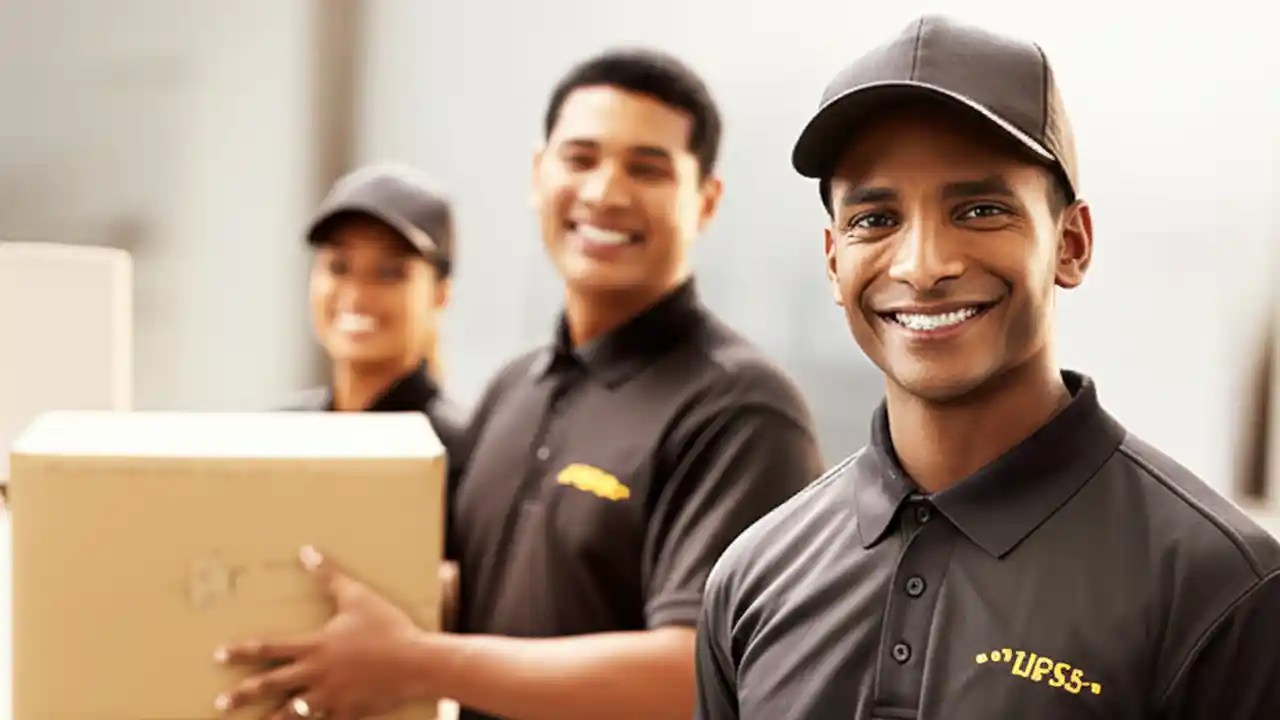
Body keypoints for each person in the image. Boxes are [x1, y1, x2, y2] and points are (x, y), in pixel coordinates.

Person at [694, 15, 1280, 720]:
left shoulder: (1223, 587)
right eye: (875, 220)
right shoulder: (753, 577)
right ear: (832, 260)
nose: (923, 266)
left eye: (979, 209)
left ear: (1071, 244)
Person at [213, 49, 825, 720]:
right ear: (539, 174)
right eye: (581, 159)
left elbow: (695, 671)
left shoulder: (739, 408)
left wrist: (413, 660)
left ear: (705, 200)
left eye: (646, 168)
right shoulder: (513, 391)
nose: (604, 192)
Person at [283, 163, 466, 468]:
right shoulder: (278, 439)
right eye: (338, 267)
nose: (356, 295)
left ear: (440, 294)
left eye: (389, 273)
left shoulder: (461, 454)